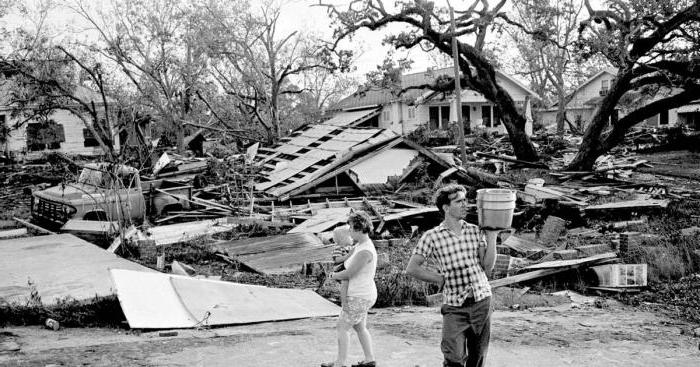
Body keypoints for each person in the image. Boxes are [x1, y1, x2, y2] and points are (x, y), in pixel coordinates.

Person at [405, 184, 498, 367]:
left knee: (477, 358)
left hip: (482, 301)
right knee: (453, 357)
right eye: (459, 201)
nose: (465, 205)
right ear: (446, 208)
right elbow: (412, 268)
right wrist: (438, 278)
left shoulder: (475, 231)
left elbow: (487, 268)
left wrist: (493, 237)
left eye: (465, 200)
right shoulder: (432, 236)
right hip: (454, 306)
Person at [322, 211, 378, 367]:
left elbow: (350, 273)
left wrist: (334, 275)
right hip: (362, 293)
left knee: (342, 327)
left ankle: (340, 363)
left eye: (352, 228)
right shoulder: (360, 245)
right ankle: (369, 359)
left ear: (360, 229)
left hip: (359, 294)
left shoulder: (365, 251)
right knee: (360, 327)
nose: (350, 232)